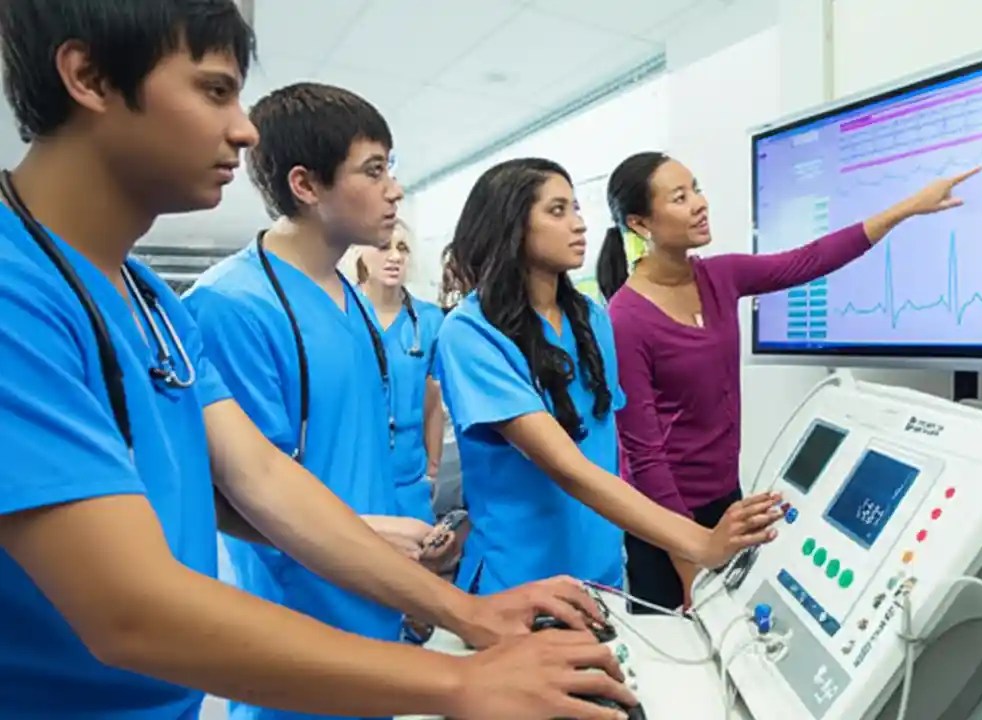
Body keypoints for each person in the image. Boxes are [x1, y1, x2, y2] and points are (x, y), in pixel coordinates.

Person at [0, 2, 632, 719]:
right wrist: (461, 683)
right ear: (89, 78)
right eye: (214, 91)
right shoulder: (16, 290)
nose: (242, 128)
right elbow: (127, 611)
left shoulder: (152, 304)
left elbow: (263, 479)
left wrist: (467, 614)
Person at [183, 82, 468, 719]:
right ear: (306, 185)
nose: (394, 188)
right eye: (373, 169)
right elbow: (236, 492)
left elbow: (364, 450)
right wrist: (369, 536)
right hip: (294, 627)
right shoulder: (231, 307)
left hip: (369, 606)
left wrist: (415, 544)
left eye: (390, 166)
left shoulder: (353, 303)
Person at [595, 151, 981, 612]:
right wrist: (689, 560)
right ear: (641, 225)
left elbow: (808, 261)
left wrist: (905, 209)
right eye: (681, 197)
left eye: (697, 188)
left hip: (726, 503)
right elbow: (644, 454)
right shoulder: (625, 318)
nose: (700, 203)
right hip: (664, 525)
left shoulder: (718, 275)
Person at [434, 157, 783, 597]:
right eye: (557, 211)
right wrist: (698, 543)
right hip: (522, 585)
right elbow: (568, 467)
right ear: (512, 225)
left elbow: (621, 448)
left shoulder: (591, 320)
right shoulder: (471, 333)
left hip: (603, 579)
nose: (579, 224)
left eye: (577, 208)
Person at [352, 221, 446, 525]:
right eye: (384, 247)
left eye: (402, 248)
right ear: (359, 254)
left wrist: (432, 469)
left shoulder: (429, 320)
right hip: (355, 477)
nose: (394, 256)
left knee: (418, 564)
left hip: (410, 479)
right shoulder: (339, 313)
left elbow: (433, 400)